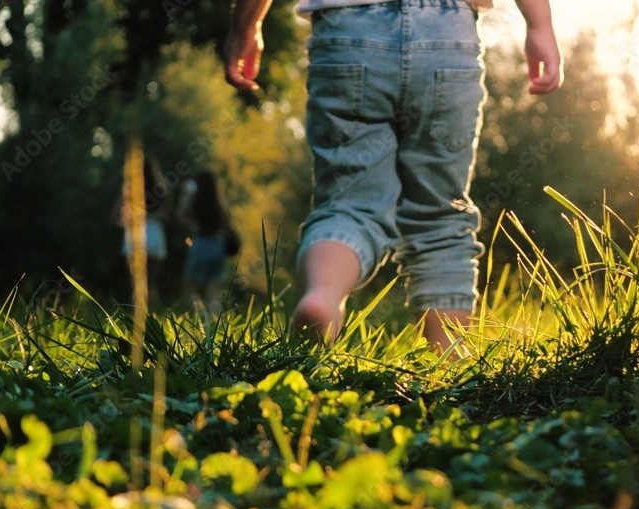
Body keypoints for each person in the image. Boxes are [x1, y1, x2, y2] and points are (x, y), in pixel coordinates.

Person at [224, 0, 562, 354]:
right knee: (441, 213)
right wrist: (539, 25)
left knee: (347, 205)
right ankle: (447, 364)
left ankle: (322, 297)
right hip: (446, 30)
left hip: (347, 32)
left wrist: (246, 27)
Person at [116, 155, 171, 307]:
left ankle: (138, 315)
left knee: (137, 283)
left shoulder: (128, 189)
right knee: (151, 282)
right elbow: (167, 216)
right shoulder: (161, 188)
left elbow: (116, 216)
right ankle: (153, 315)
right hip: (155, 235)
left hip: (135, 236)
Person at [177, 170, 234, 311]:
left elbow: (180, 217)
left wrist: (186, 195)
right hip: (218, 245)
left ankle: (198, 318)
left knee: (192, 286)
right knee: (213, 288)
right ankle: (215, 320)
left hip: (201, 243)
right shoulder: (220, 205)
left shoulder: (197, 203)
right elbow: (227, 227)